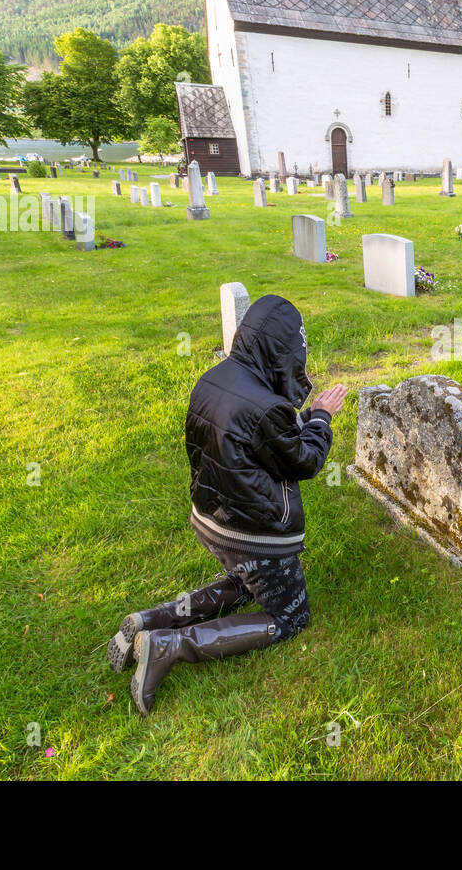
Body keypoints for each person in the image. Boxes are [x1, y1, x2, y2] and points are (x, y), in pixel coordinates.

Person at [106, 295, 347, 715]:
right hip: (251, 532)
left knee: (245, 582)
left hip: (210, 518)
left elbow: (266, 440)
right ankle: (169, 647)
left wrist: (303, 419)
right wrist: (322, 417)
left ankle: (148, 621)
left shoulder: (214, 378)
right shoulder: (268, 408)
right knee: (290, 616)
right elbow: (304, 461)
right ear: (280, 349)